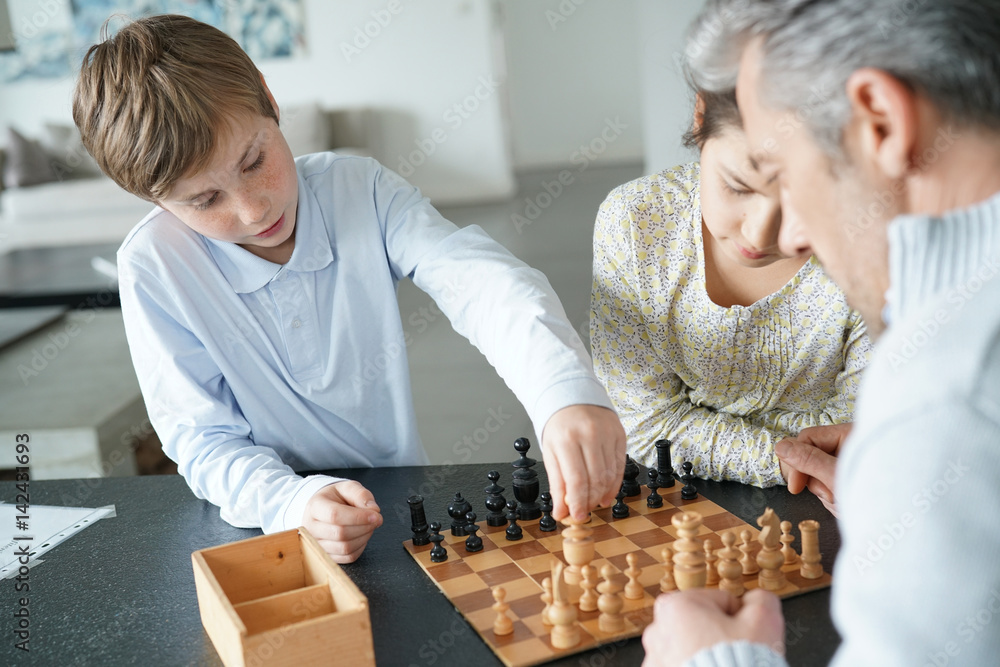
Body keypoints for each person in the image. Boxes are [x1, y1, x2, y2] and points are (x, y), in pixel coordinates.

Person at [72, 14, 626, 562]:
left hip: (398, 508)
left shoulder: (360, 190)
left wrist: (561, 389)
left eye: (254, 160)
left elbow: (478, 280)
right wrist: (293, 500)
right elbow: (202, 439)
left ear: (269, 96)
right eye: (204, 200)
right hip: (267, 530)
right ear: (154, 199)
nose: (252, 207)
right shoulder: (153, 269)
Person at [642, 1, 1000, 665]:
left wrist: (716, 659)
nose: (793, 236)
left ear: (881, 122)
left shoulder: (946, 394)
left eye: (786, 174)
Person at [590, 87, 871, 490]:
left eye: (805, 201)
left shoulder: (872, 236)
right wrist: (798, 457)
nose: (759, 235)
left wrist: (700, 428)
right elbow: (646, 427)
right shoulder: (637, 223)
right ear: (701, 117)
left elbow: (864, 431)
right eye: (739, 186)